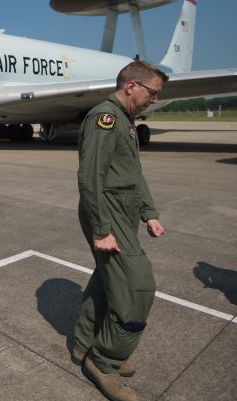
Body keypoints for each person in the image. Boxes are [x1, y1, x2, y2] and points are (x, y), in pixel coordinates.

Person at [70, 60, 168, 401]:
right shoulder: (105, 118)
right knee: (138, 287)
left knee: (107, 280)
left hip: (123, 212)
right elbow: (90, 177)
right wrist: (101, 228)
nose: (154, 99)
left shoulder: (125, 120)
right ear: (132, 86)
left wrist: (148, 213)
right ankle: (104, 361)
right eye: (153, 92)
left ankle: (84, 346)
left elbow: (132, 173)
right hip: (107, 213)